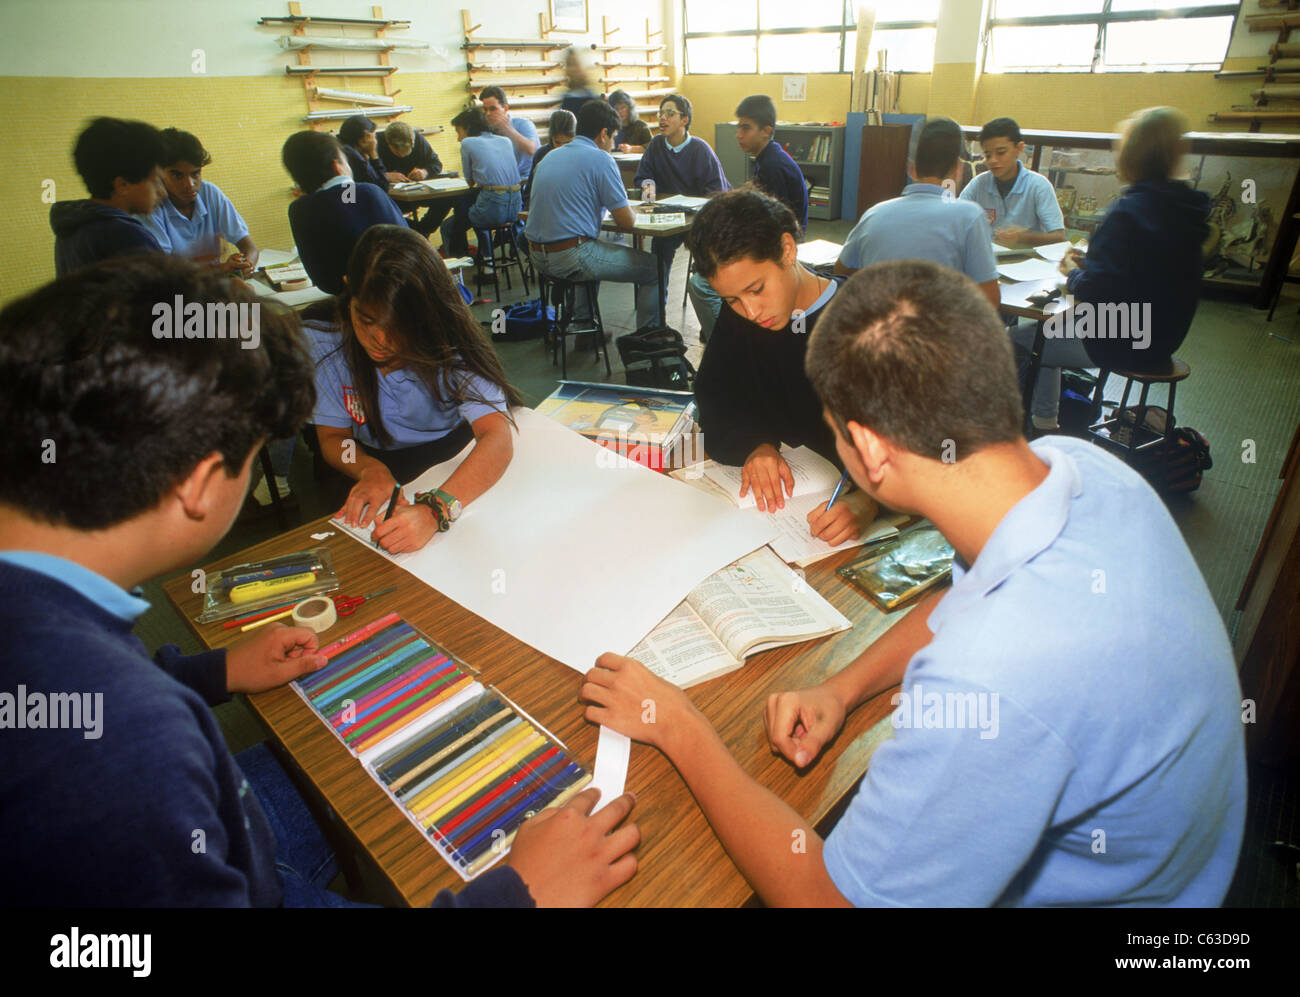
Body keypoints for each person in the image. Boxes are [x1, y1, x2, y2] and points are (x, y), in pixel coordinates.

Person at [582, 257, 1246, 907]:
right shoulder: (1082, 467)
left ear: (867, 450)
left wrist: (681, 726)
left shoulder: (990, 679)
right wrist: (842, 687)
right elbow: (964, 594)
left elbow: (825, 897)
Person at [0, 253, 640, 907]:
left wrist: (207, 672)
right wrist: (513, 897)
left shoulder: (52, 621)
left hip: (195, 827)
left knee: (350, 765)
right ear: (198, 485)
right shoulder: (138, 745)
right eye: (254, 457)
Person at [307, 224, 521, 553]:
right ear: (349, 290)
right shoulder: (325, 341)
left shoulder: (450, 339)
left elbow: (496, 436)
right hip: (373, 458)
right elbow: (332, 437)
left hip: (452, 455)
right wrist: (370, 469)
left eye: (397, 327)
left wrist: (435, 510)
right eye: (366, 320)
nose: (380, 341)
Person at [690, 188, 877, 543]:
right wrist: (755, 445)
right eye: (731, 300)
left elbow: (926, 452)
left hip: (848, 519)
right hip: (779, 517)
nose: (750, 312)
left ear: (787, 250)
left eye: (757, 289)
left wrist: (868, 504)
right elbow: (715, 398)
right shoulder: (742, 319)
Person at [1049, 107, 1210, 420]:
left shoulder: (1127, 211)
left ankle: (1031, 428)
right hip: (1162, 339)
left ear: (1132, 155)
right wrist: (1094, 266)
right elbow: (1142, 273)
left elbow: (1097, 292)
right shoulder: (1183, 208)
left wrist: (1073, 275)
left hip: (1120, 341)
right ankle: (1049, 416)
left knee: (1020, 340)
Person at [835, 117, 1000, 313]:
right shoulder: (970, 216)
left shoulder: (874, 213)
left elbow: (841, 271)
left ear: (911, 169)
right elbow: (990, 301)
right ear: (958, 169)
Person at [524, 99, 659, 330]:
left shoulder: (549, 156)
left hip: (536, 255)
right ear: (603, 133)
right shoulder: (601, 158)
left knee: (590, 245)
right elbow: (626, 221)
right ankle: (647, 339)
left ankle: (583, 326)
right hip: (569, 257)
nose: (613, 143)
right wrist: (635, 209)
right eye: (614, 137)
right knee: (655, 269)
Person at [687, 93, 808, 341]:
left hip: (778, 248)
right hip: (773, 241)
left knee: (701, 285)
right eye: (738, 127)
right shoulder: (768, 158)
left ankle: (729, 341)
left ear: (766, 131)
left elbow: (768, 228)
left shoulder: (773, 166)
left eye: (746, 127)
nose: (738, 134)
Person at [633, 94, 731, 323]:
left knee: (710, 267)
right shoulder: (656, 144)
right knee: (657, 259)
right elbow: (643, 177)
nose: (662, 118)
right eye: (660, 113)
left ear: (684, 120)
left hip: (701, 221)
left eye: (669, 113)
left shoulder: (700, 149)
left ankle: (716, 319)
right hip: (669, 217)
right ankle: (655, 326)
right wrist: (648, 187)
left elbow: (718, 193)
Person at [281, 130, 408, 295]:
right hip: (402, 289)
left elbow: (323, 279)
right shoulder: (368, 191)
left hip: (347, 299)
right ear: (337, 166)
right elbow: (346, 200)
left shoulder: (299, 209)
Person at [50, 117, 164, 275]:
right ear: (123, 185)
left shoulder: (71, 225)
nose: (162, 192)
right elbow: (163, 295)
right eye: (155, 182)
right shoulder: (126, 236)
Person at [142, 127, 259, 277]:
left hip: (213, 286)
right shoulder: (151, 207)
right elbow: (164, 273)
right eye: (177, 175)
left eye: (195, 173)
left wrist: (247, 263)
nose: (189, 184)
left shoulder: (211, 193)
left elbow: (249, 246)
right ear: (159, 173)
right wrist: (221, 269)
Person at [960, 117, 1066, 250]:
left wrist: (1023, 238)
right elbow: (956, 220)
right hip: (987, 259)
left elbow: (1059, 237)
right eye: (987, 155)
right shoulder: (979, 184)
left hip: (1027, 263)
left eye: (1001, 153)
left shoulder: (1038, 185)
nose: (992, 160)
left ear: (1019, 148)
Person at [439, 106, 523, 260]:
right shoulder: (505, 141)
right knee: (469, 210)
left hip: (494, 205)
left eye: (458, 131)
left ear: (468, 127)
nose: (458, 138)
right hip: (516, 206)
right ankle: (485, 259)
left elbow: (470, 182)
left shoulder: (468, 143)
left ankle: (484, 261)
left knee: (461, 216)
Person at [479, 85, 540, 184]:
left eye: (493, 109)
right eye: (485, 110)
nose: (488, 114)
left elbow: (532, 150)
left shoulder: (523, 124)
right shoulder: (487, 132)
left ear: (505, 108)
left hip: (526, 181)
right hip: (501, 183)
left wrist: (509, 130)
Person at [523, 108, 576, 210]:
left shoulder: (582, 155)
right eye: (557, 142)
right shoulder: (541, 155)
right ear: (551, 138)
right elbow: (529, 194)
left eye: (567, 143)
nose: (561, 148)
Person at [337, 114, 391, 191]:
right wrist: (373, 154)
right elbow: (383, 187)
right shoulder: (354, 157)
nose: (375, 141)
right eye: (374, 137)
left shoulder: (341, 150)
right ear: (365, 138)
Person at [376, 120, 442, 182]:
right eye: (397, 153)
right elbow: (366, 175)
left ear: (413, 143)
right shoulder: (375, 143)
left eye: (407, 152)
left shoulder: (418, 140)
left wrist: (425, 172)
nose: (402, 156)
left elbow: (437, 164)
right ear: (389, 144)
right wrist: (384, 175)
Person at [558, 47, 601, 116]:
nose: (572, 69)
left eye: (575, 64)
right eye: (569, 64)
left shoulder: (591, 97)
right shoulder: (567, 98)